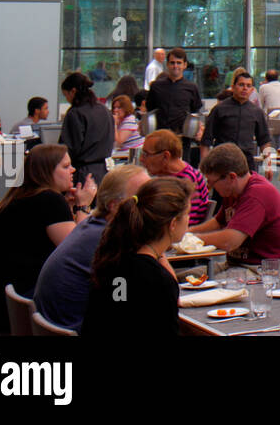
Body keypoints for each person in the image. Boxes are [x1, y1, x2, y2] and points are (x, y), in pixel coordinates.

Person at [0, 144, 96, 332]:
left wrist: (68, 209)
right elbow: (78, 250)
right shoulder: (50, 200)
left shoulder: (20, 197)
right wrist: (83, 207)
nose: (73, 170)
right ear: (46, 171)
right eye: (65, 166)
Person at [35, 164, 150, 332]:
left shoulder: (90, 225)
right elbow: (138, 296)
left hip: (60, 326)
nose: (153, 203)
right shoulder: (111, 239)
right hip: (75, 328)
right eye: (142, 199)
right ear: (114, 205)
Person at [82, 176, 191, 336]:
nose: (189, 220)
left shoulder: (112, 258)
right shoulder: (157, 279)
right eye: (187, 214)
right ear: (173, 223)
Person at [191, 144, 280, 268]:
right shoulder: (232, 191)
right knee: (178, 280)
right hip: (237, 265)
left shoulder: (256, 195)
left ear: (231, 177)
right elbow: (218, 222)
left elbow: (230, 241)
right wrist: (186, 233)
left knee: (184, 284)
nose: (209, 187)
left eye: (212, 182)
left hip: (262, 270)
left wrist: (192, 240)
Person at [201, 71, 273, 172]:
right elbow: (206, 140)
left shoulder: (256, 112)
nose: (245, 88)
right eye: (241, 85)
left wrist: (268, 165)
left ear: (252, 90)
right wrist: (205, 168)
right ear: (233, 87)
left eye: (248, 86)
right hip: (222, 162)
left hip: (246, 163)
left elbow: (264, 140)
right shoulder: (219, 109)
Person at [139, 130, 212, 225]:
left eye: (146, 154)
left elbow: (184, 224)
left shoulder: (186, 181)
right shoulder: (171, 176)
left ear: (166, 156)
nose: (141, 159)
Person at [60, 72, 113, 188]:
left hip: (81, 174)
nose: (67, 99)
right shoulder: (104, 110)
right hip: (103, 172)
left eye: (66, 95)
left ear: (73, 91)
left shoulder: (75, 113)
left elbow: (69, 149)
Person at [145, 47, 201, 145]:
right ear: (167, 64)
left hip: (182, 140)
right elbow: (150, 110)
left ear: (185, 65)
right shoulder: (156, 86)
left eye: (179, 63)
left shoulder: (192, 88)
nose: (175, 66)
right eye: (172, 62)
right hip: (160, 139)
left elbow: (195, 112)